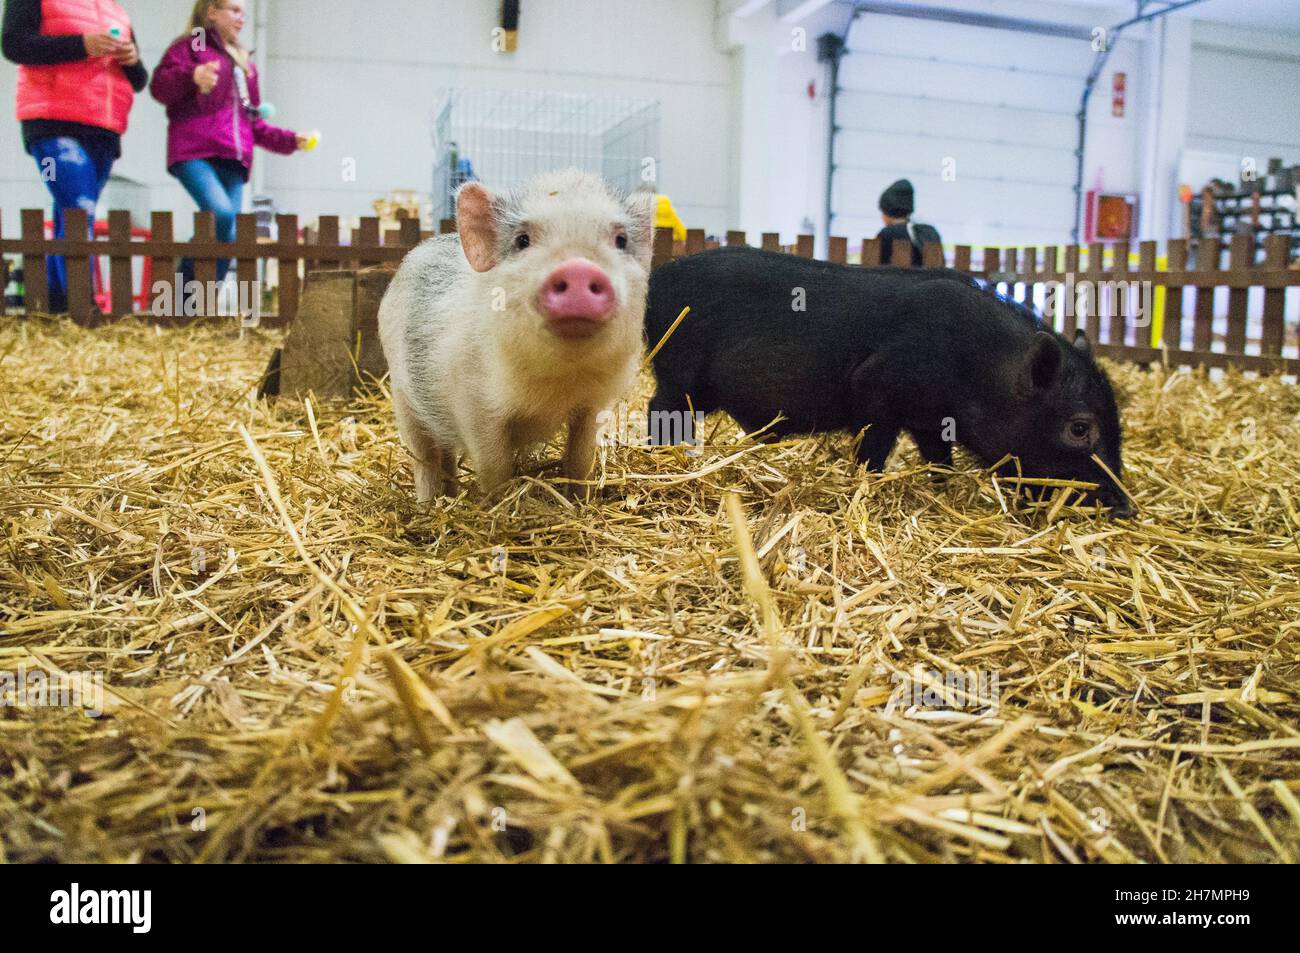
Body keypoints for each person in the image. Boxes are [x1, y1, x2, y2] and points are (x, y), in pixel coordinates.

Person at [2, 0, 148, 320]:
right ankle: (82, 306)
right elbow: (13, 44)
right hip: (50, 124)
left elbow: (139, 80)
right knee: (79, 207)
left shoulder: (115, 11)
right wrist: (82, 44)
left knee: (71, 214)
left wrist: (132, 60)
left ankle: (56, 306)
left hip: (103, 129)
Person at [150, 0, 305, 298]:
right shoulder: (190, 46)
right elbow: (160, 87)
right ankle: (183, 299)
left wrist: (290, 139)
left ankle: (195, 305)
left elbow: (254, 122)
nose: (241, 18)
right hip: (194, 151)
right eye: (234, 10)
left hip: (234, 158)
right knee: (220, 215)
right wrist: (191, 76)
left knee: (227, 233)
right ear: (211, 11)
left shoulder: (245, 63)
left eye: (244, 13)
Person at [875, 179, 943, 267]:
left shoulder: (887, 233)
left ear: (886, 213)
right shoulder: (928, 231)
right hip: (929, 280)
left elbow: (875, 267)